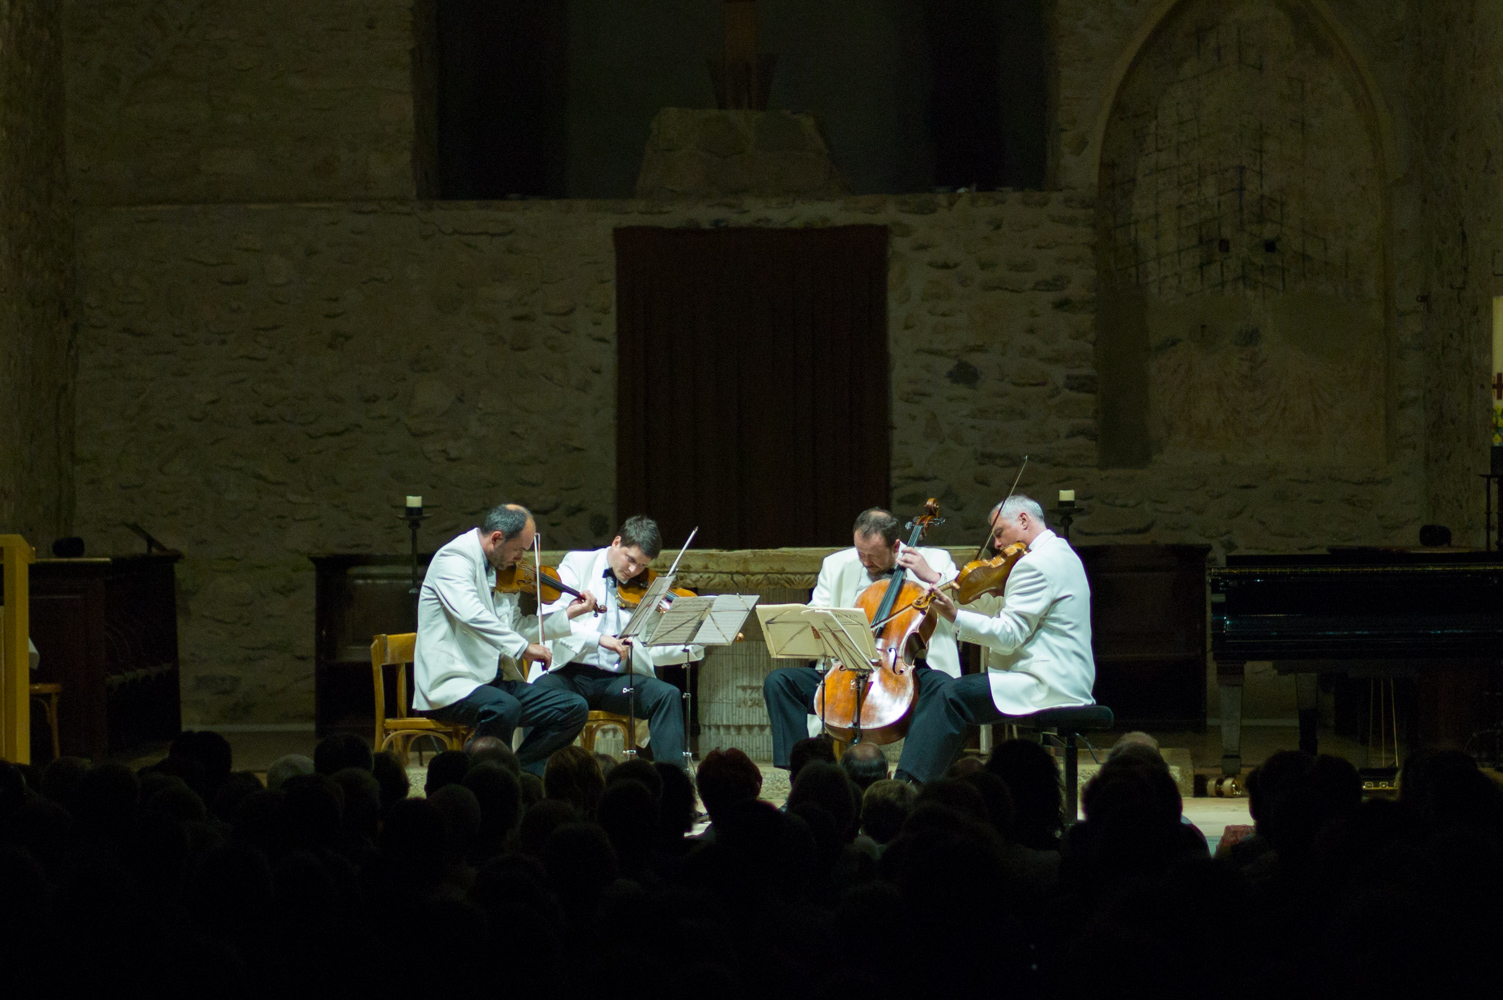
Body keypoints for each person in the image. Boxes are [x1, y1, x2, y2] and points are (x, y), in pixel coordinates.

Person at [904, 494, 1096, 783]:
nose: (996, 543)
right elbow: (997, 609)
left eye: (999, 532)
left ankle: (910, 787)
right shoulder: (1058, 553)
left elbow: (1009, 634)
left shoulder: (1036, 565)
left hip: (1045, 681)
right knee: (941, 686)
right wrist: (937, 580)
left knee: (949, 696)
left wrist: (955, 616)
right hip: (1059, 674)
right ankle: (931, 785)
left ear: (1023, 520)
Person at [762, 508, 961, 782]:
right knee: (780, 681)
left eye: (873, 555)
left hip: (909, 667)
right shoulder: (836, 564)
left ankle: (908, 783)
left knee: (944, 689)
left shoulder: (936, 561)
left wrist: (930, 576)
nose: (865, 561)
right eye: (860, 553)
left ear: (895, 546)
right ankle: (806, 777)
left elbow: (963, 608)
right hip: (848, 668)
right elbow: (815, 613)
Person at [414, 503, 598, 775]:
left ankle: (518, 774)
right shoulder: (453, 559)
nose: (521, 559)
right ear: (497, 538)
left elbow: (514, 628)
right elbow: (471, 615)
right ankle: (477, 777)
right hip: (451, 682)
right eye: (519, 550)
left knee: (572, 708)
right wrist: (522, 648)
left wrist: (569, 614)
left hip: (490, 681)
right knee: (505, 708)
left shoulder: (500, 570)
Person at [534, 516, 701, 769]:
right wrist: (599, 639)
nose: (633, 571)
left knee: (667, 694)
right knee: (538, 692)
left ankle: (673, 789)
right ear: (616, 542)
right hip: (569, 675)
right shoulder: (577, 563)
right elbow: (548, 621)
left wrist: (695, 642)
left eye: (642, 565)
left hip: (617, 683)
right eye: (630, 559)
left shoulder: (648, 587)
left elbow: (653, 649)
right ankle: (532, 780)